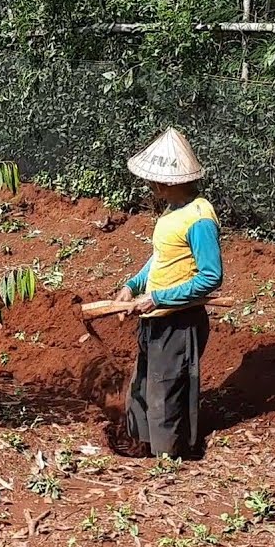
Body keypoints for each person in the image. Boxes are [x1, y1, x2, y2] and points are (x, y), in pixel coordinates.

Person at [113, 128, 223, 459]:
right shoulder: (172, 212)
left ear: (171, 182)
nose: (151, 185)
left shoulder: (199, 218)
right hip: (155, 319)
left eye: (156, 181)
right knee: (143, 386)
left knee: (165, 394)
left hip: (179, 322)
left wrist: (158, 298)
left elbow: (211, 276)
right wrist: (132, 286)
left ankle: (167, 460)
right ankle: (141, 448)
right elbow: (160, 258)